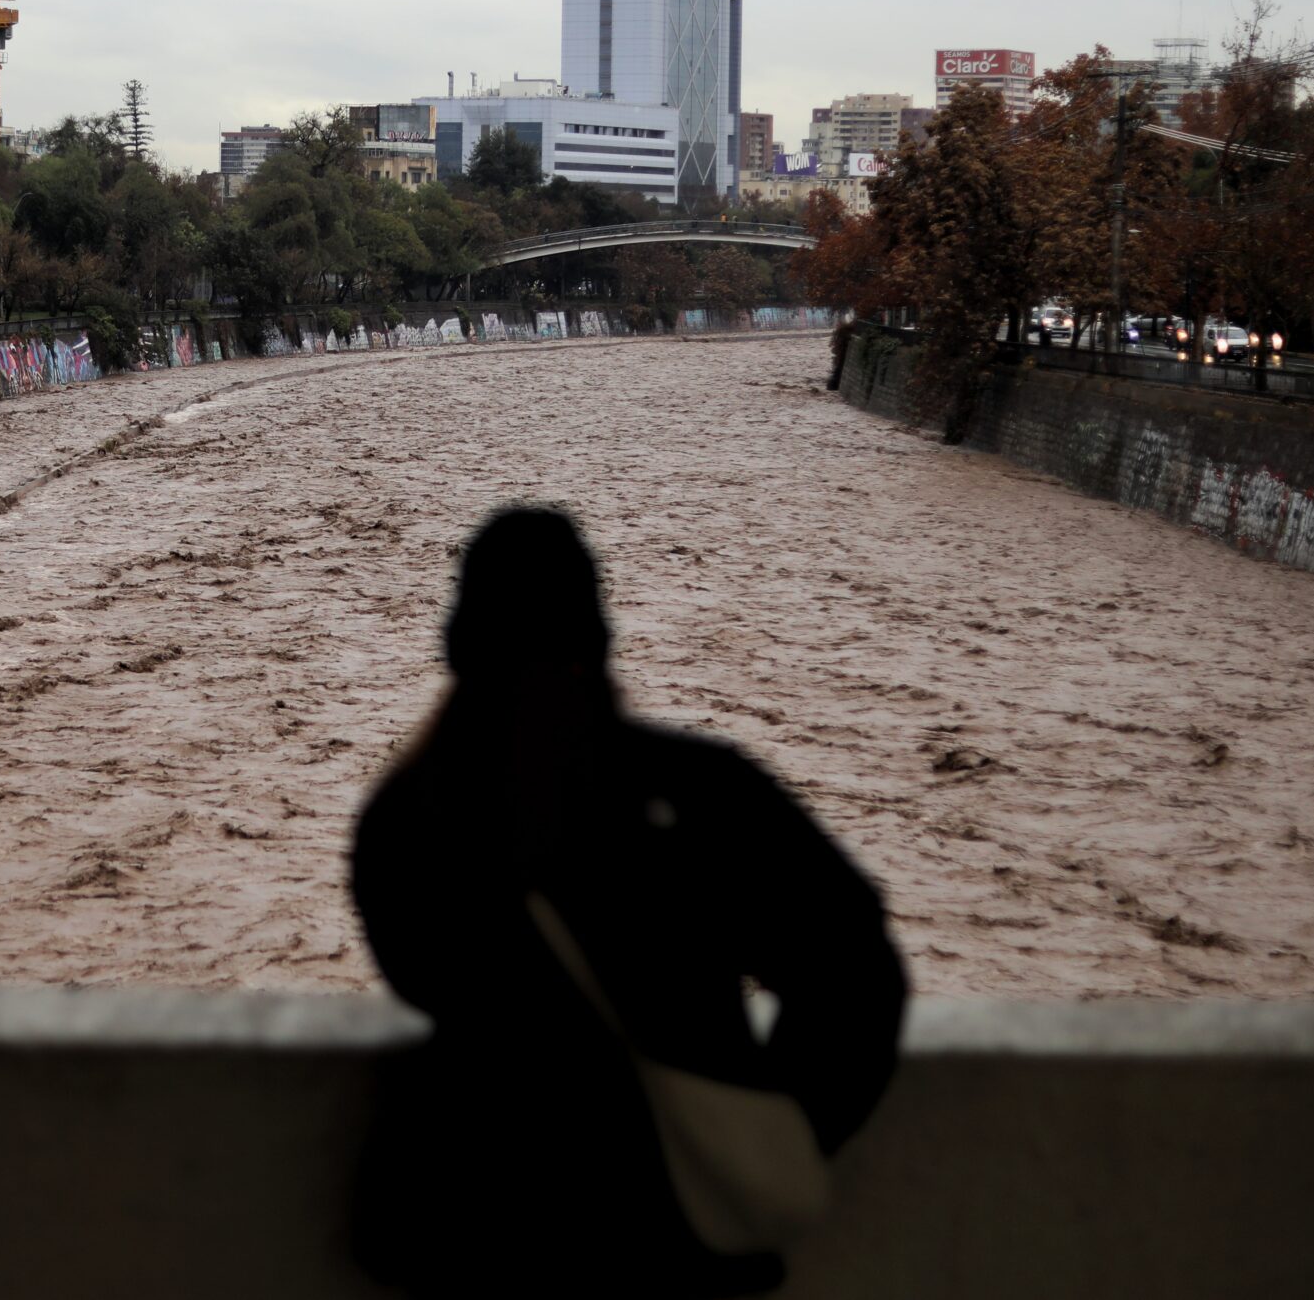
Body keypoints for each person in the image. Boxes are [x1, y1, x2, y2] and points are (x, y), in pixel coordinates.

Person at [351, 507, 905, 1297]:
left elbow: (420, 982)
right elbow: (855, 974)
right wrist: (782, 1120)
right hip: (674, 1238)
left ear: (461, 644)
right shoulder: (702, 793)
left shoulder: (406, 818)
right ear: (598, 637)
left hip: (473, 1229)